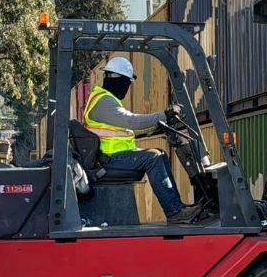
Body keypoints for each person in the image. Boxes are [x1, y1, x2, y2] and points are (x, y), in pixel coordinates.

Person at [83, 57, 202, 224]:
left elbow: (130, 128)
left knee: (158, 154)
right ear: (118, 79)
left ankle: (178, 208)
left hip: (111, 156)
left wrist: (158, 125)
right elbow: (132, 121)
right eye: (127, 83)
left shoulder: (105, 98)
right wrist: (164, 115)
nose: (127, 88)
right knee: (154, 158)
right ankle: (175, 212)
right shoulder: (103, 101)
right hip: (108, 160)